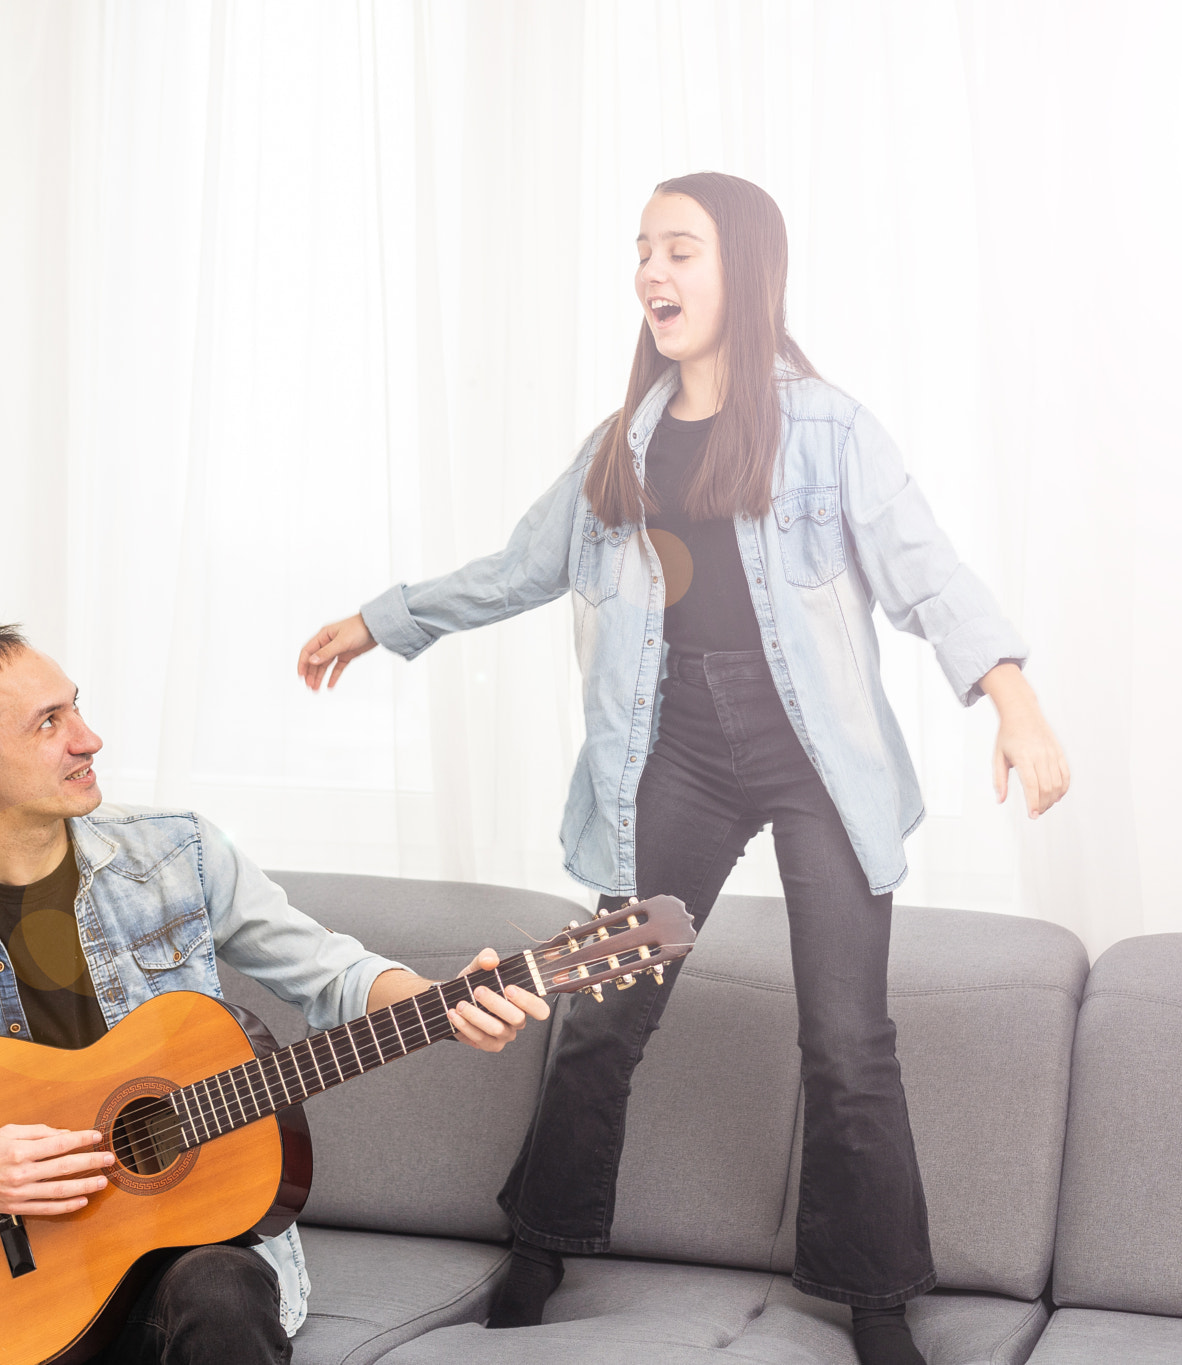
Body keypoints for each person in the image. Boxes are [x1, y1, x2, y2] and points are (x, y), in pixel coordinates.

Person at [294, 172, 1068, 1365]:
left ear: (743, 272)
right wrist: (381, 621)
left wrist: (1010, 702)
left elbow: (927, 575)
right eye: (642, 253)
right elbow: (517, 568)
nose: (652, 274)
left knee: (846, 1039)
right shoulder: (622, 447)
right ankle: (539, 1244)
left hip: (815, 761)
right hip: (676, 757)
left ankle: (875, 1303)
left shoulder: (827, 430)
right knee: (602, 1012)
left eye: (680, 252)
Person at [0, 625, 548, 1364]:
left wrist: (439, 999)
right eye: (48, 722)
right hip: (2, 1298)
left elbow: (330, 971)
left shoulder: (181, 851)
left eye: (78, 707)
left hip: (182, 1275)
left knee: (220, 1293)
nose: (87, 738)